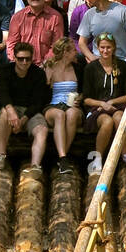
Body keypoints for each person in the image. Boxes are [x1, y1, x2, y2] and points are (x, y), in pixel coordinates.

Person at [82, 32, 126, 173]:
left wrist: (112, 101)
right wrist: (102, 104)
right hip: (97, 108)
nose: (105, 51)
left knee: (120, 118)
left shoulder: (123, 66)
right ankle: (98, 157)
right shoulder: (91, 68)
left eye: (108, 47)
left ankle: (125, 153)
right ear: (98, 48)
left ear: (114, 48)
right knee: (107, 122)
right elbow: (86, 98)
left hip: (118, 105)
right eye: (102, 47)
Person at [0, 41, 49, 169]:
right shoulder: (4, 71)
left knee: (42, 130)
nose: (24, 62)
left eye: (28, 59)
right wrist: (11, 111)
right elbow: (2, 94)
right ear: (14, 58)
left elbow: (38, 101)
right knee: (4, 114)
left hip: (31, 111)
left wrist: (24, 119)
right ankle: (1, 154)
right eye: (20, 59)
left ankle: (35, 166)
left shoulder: (38, 74)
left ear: (32, 59)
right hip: (10, 107)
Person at [43, 37, 84, 169]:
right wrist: (48, 80)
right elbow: (42, 92)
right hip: (54, 105)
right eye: (73, 50)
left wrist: (80, 98)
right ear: (65, 52)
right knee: (60, 114)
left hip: (72, 105)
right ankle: (63, 157)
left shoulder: (78, 67)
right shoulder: (50, 67)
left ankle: (62, 156)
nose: (76, 53)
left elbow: (85, 90)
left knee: (71, 113)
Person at [6, 0, 64, 64]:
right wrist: (18, 61)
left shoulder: (56, 17)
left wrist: (45, 63)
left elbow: (56, 45)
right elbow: (11, 44)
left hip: (48, 65)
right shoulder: (17, 17)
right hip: (21, 64)